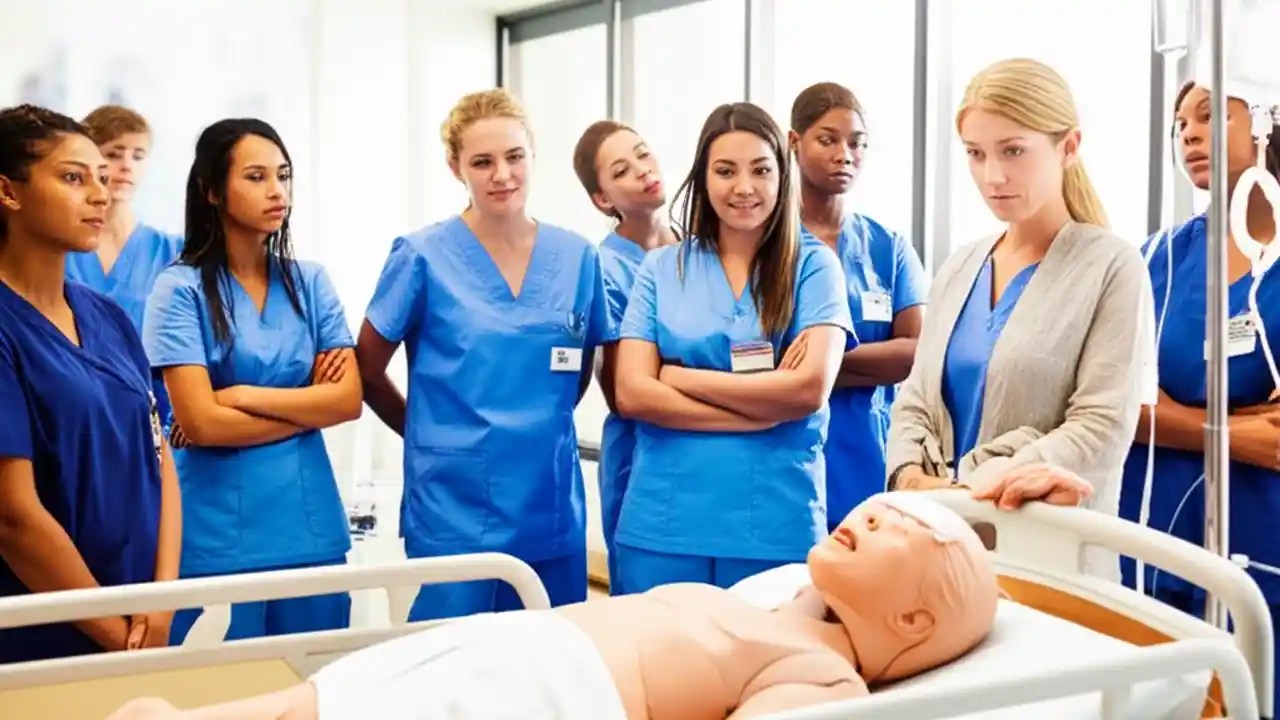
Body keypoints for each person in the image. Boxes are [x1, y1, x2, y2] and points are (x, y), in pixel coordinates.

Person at [104, 492, 1000, 720]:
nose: (866, 513)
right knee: (331, 698)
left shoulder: (822, 674)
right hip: (516, 646)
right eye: (873, 507)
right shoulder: (785, 601)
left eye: (891, 532)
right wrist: (975, 494)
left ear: (914, 623)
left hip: (551, 695)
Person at [884, 58, 1152, 579]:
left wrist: (970, 493)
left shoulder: (1111, 266)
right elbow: (915, 399)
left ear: (1068, 147)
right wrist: (910, 480)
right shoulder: (960, 265)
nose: (993, 175)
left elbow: (1099, 427)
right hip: (942, 543)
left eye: (1013, 151)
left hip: (1048, 554)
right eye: (976, 154)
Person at [355, 89, 613, 620]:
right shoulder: (422, 256)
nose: (502, 175)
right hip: (454, 504)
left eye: (515, 157)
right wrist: (421, 431)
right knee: (454, 671)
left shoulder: (576, 257)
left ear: (533, 156)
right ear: (455, 167)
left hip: (550, 497)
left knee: (549, 665)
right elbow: (365, 367)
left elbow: (580, 370)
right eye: (483, 162)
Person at [612, 102, 855, 594]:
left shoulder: (813, 267)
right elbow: (632, 394)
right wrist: (761, 410)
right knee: (659, 667)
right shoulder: (662, 268)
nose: (744, 187)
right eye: (725, 171)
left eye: (761, 170)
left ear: (782, 176)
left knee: (773, 667)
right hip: (664, 521)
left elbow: (808, 390)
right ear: (703, 178)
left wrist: (680, 378)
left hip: (775, 521)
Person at [142, 118, 360, 644]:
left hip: (309, 527)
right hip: (215, 535)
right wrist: (307, 407)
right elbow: (201, 422)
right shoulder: (179, 290)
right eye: (256, 177)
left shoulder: (310, 282)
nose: (276, 191)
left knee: (312, 688)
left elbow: (349, 401)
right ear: (213, 190)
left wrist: (241, 396)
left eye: (283, 176)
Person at [1118, 44, 1280, 704]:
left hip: (1262, 550)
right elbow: (1119, 406)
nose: (1189, 134)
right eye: (1180, 124)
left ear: (1268, 123)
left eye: (1212, 116)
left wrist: (1170, 415)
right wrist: (1241, 430)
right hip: (1155, 540)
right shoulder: (1153, 258)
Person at [0, 104, 180, 661]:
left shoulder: (110, 318)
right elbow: (12, 514)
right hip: (43, 630)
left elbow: (159, 454)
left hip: (140, 622)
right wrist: (111, 630)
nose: (100, 194)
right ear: (8, 192)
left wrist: (163, 602)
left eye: (102, 178)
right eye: (74, 178)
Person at [789, 82, 930, 527]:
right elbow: (760, 358)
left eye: (857, 143)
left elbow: (917, 353)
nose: (844, 155)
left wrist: (814, 368)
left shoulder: (889, 247)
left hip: (872, 454)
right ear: (794, 143)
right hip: (788, 454)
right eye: (828, 140)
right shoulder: (770, 248)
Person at [571, 119, 678, 590]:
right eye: (621, 169)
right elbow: (622, 390)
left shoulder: (707, 250)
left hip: (709, 452)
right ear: (602, 199)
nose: (642, 170)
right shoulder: (603, 266)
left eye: (643, 153)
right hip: (640, 454)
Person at [66, 105, 182, 332]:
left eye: (138, 156)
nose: (127, 166)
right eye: (113, 155)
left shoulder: (173, 252)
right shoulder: (59, 246)